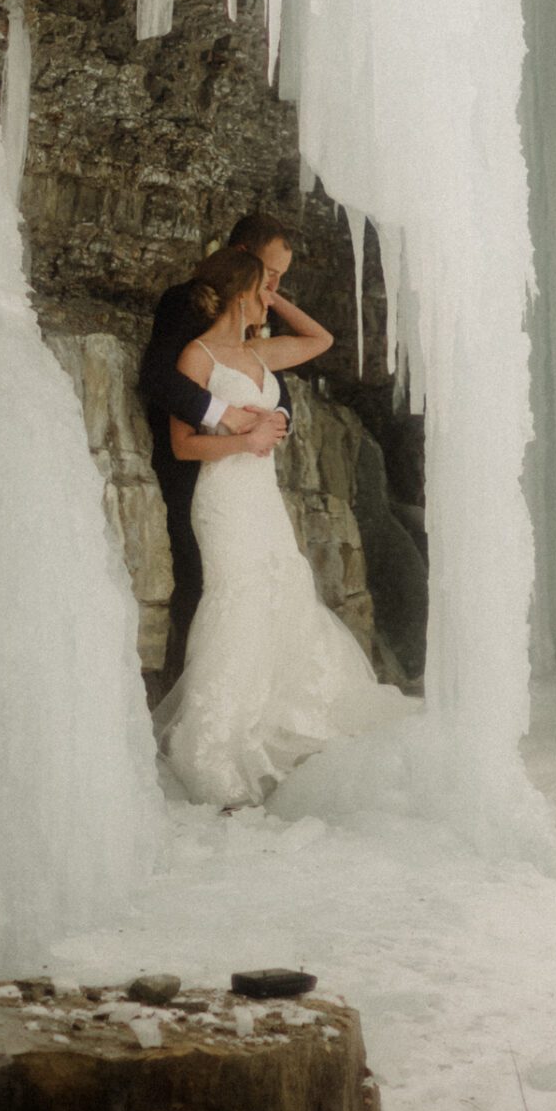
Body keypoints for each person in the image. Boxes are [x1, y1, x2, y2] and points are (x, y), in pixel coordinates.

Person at [154, 246, 402, 807]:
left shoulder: (257, 352)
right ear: (238, 295)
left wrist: (276, 298)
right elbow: (182, 445)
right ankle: (212, 745)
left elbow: (320, 339)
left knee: (281, 592)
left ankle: (277, 721)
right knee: (237, 601)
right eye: (262, 289)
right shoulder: (197, 357)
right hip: (222, 498)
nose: (270, 298)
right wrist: (246, 439)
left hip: (262, 499)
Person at [138, 213, 297, 686]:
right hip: (193, 464)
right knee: (197, 578)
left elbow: (273, 383)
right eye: (270, 274)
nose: (273, 289)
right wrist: (223, 414)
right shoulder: (184, 302)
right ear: (242, 258)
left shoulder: (257, 312)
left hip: (247, 478)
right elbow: (159, 377)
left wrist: (278, 416)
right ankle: (184, 688)